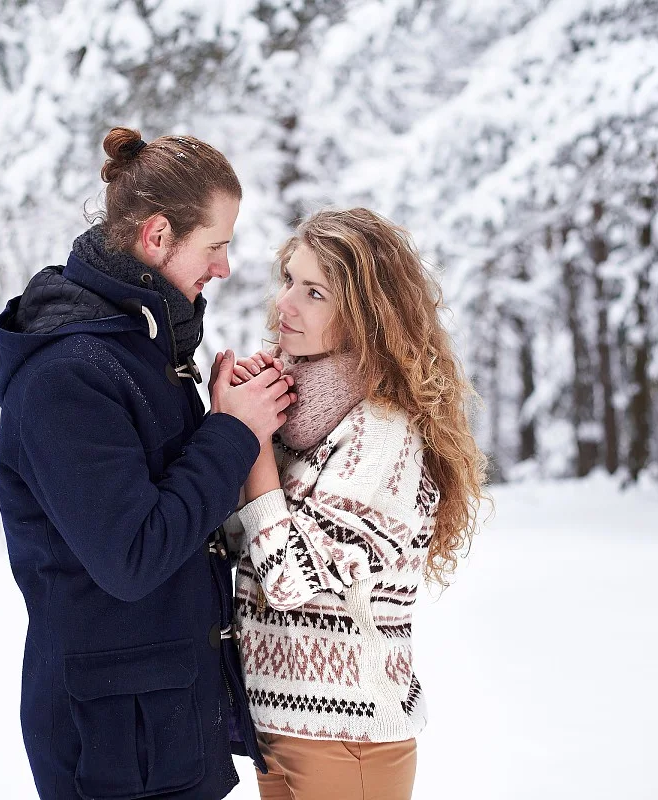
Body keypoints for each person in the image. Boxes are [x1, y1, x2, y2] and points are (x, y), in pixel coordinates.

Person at [0, 126, 294, 800]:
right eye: (215, 245)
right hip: (113, 748)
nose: (223, 267)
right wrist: (230, 433)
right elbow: (131, 553)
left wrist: (224, 423)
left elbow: (175, 510)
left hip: (160, 726)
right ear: (158, 237)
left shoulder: (138, 347)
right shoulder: (67, 374)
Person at [225, 208, 486, 800]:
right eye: (288, 280)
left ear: (367, 315)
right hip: (279, 729)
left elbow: (289, 578)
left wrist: (251, 443)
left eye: (313, 292)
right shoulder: (303, 422)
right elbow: (241, 549)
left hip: (350, 739)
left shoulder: (382, 436)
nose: (285, 303)